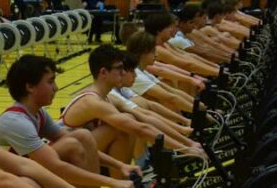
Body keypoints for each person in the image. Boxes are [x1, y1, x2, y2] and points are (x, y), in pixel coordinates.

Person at [0, 55, 138, 188]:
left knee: (82, 136)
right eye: (50, 82)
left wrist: (121, 166)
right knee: (72, 145)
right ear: (30, 87)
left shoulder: (38, 112)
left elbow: (76, 143)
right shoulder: (16, 121)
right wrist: (111, 182)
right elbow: (56, 166)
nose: (56, 88)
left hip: (23, 174)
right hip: (4, 183)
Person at [61, 45, 202, 165]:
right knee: (120, 128)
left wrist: (187, 142)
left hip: (83, 151)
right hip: (64, 157)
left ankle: (129, 178)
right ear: (103, 72)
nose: (123, 73)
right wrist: (185, 149)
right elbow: (140, 129)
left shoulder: (109, 97)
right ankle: (133, 175)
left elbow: (144, 117)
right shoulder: (93, 101)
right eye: (119, 68)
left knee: (130, 118)